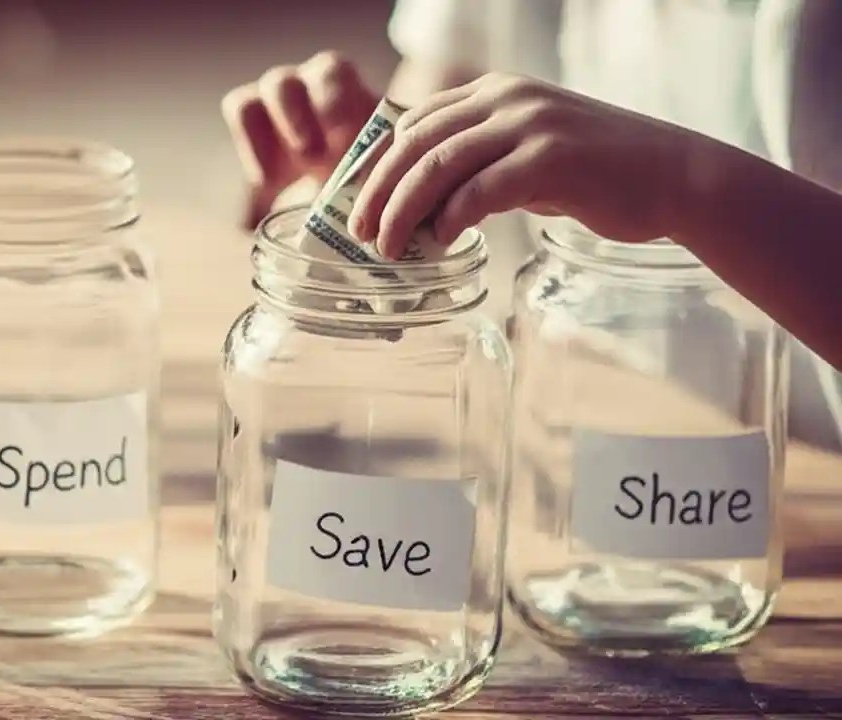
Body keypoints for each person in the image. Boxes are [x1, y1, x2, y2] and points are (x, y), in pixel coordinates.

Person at [222, 0, 842, 444]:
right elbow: (437, 106)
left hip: (798, 485)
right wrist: (351, 177)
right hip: (585, 448)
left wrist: (683, 182)